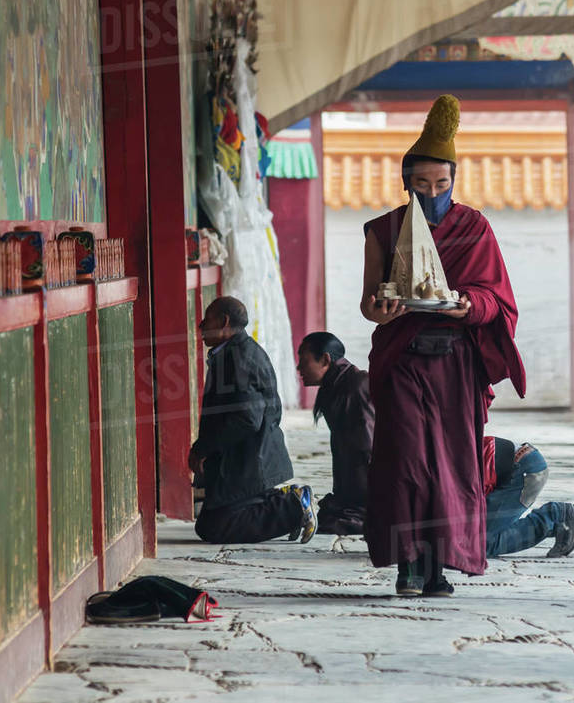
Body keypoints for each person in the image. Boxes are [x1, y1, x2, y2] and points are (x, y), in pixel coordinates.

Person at [361, 94, 526, 597]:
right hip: (405, 362)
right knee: (408, 462)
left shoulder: (474, 227)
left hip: (455, 364)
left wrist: (466, 307)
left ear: (454, 181)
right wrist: (384, 308)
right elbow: (369, 303)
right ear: (405, 181)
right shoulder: (384, 229)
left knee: (453, 466)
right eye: (421, 184)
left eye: (442, 184)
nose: (432, 193)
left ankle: (438, 567)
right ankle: (408, 565)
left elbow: (496, 298)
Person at [190, 295, 317, 544]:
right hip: (249, 456)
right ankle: (286, 500)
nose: (201, 325)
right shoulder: (238, 350)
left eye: (208, 319)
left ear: (224, 322)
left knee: (214, 527)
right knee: (208, 523)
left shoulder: (236, 358)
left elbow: (247, 419)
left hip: (250, 459)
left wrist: (203, 448)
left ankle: (292, 507)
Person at [296, 331, 373, 535]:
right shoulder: (336, 385)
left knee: (332, 522)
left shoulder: (354, 387)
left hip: (372, 488)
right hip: (353, 487)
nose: (299, 368)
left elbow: (366, 449)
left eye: (304, 361)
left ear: (325, 359)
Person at [482, 437, 574, 558]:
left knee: (481, 543)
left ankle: (556, 515)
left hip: (522, 470)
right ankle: (560, 524)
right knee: (470, 537)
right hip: (522, 463)